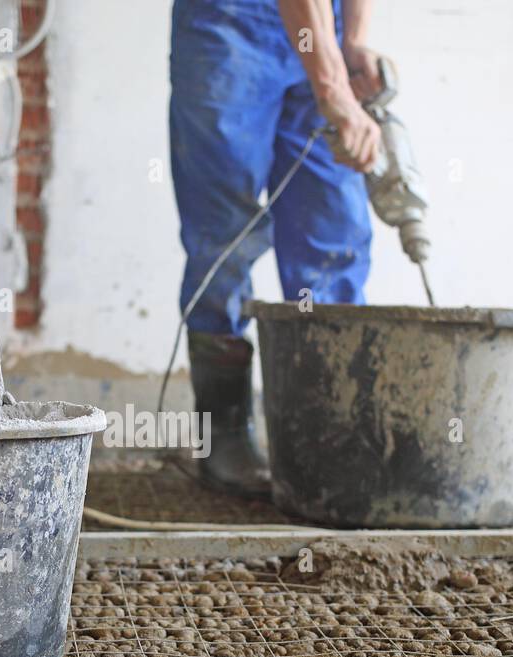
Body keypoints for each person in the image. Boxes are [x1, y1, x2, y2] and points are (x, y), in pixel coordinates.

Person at [170, 0, 383, 498]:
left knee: (332, 228)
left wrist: (351, 41)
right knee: (225, 229)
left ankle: (328, 432)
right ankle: (222, 435)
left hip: (318, 29)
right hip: (228, 23)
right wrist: (333, 91)